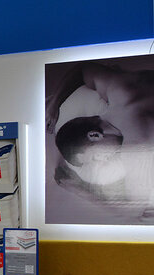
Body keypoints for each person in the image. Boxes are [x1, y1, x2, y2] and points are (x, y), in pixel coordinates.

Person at [47, 60, 154, 219]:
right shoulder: (119, 90)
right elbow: (83, 68)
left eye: (95, 157)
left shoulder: (135, 142)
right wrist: (53, 105)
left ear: (94, 135)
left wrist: (79, 188)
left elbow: (134, 210)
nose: (102, 161)